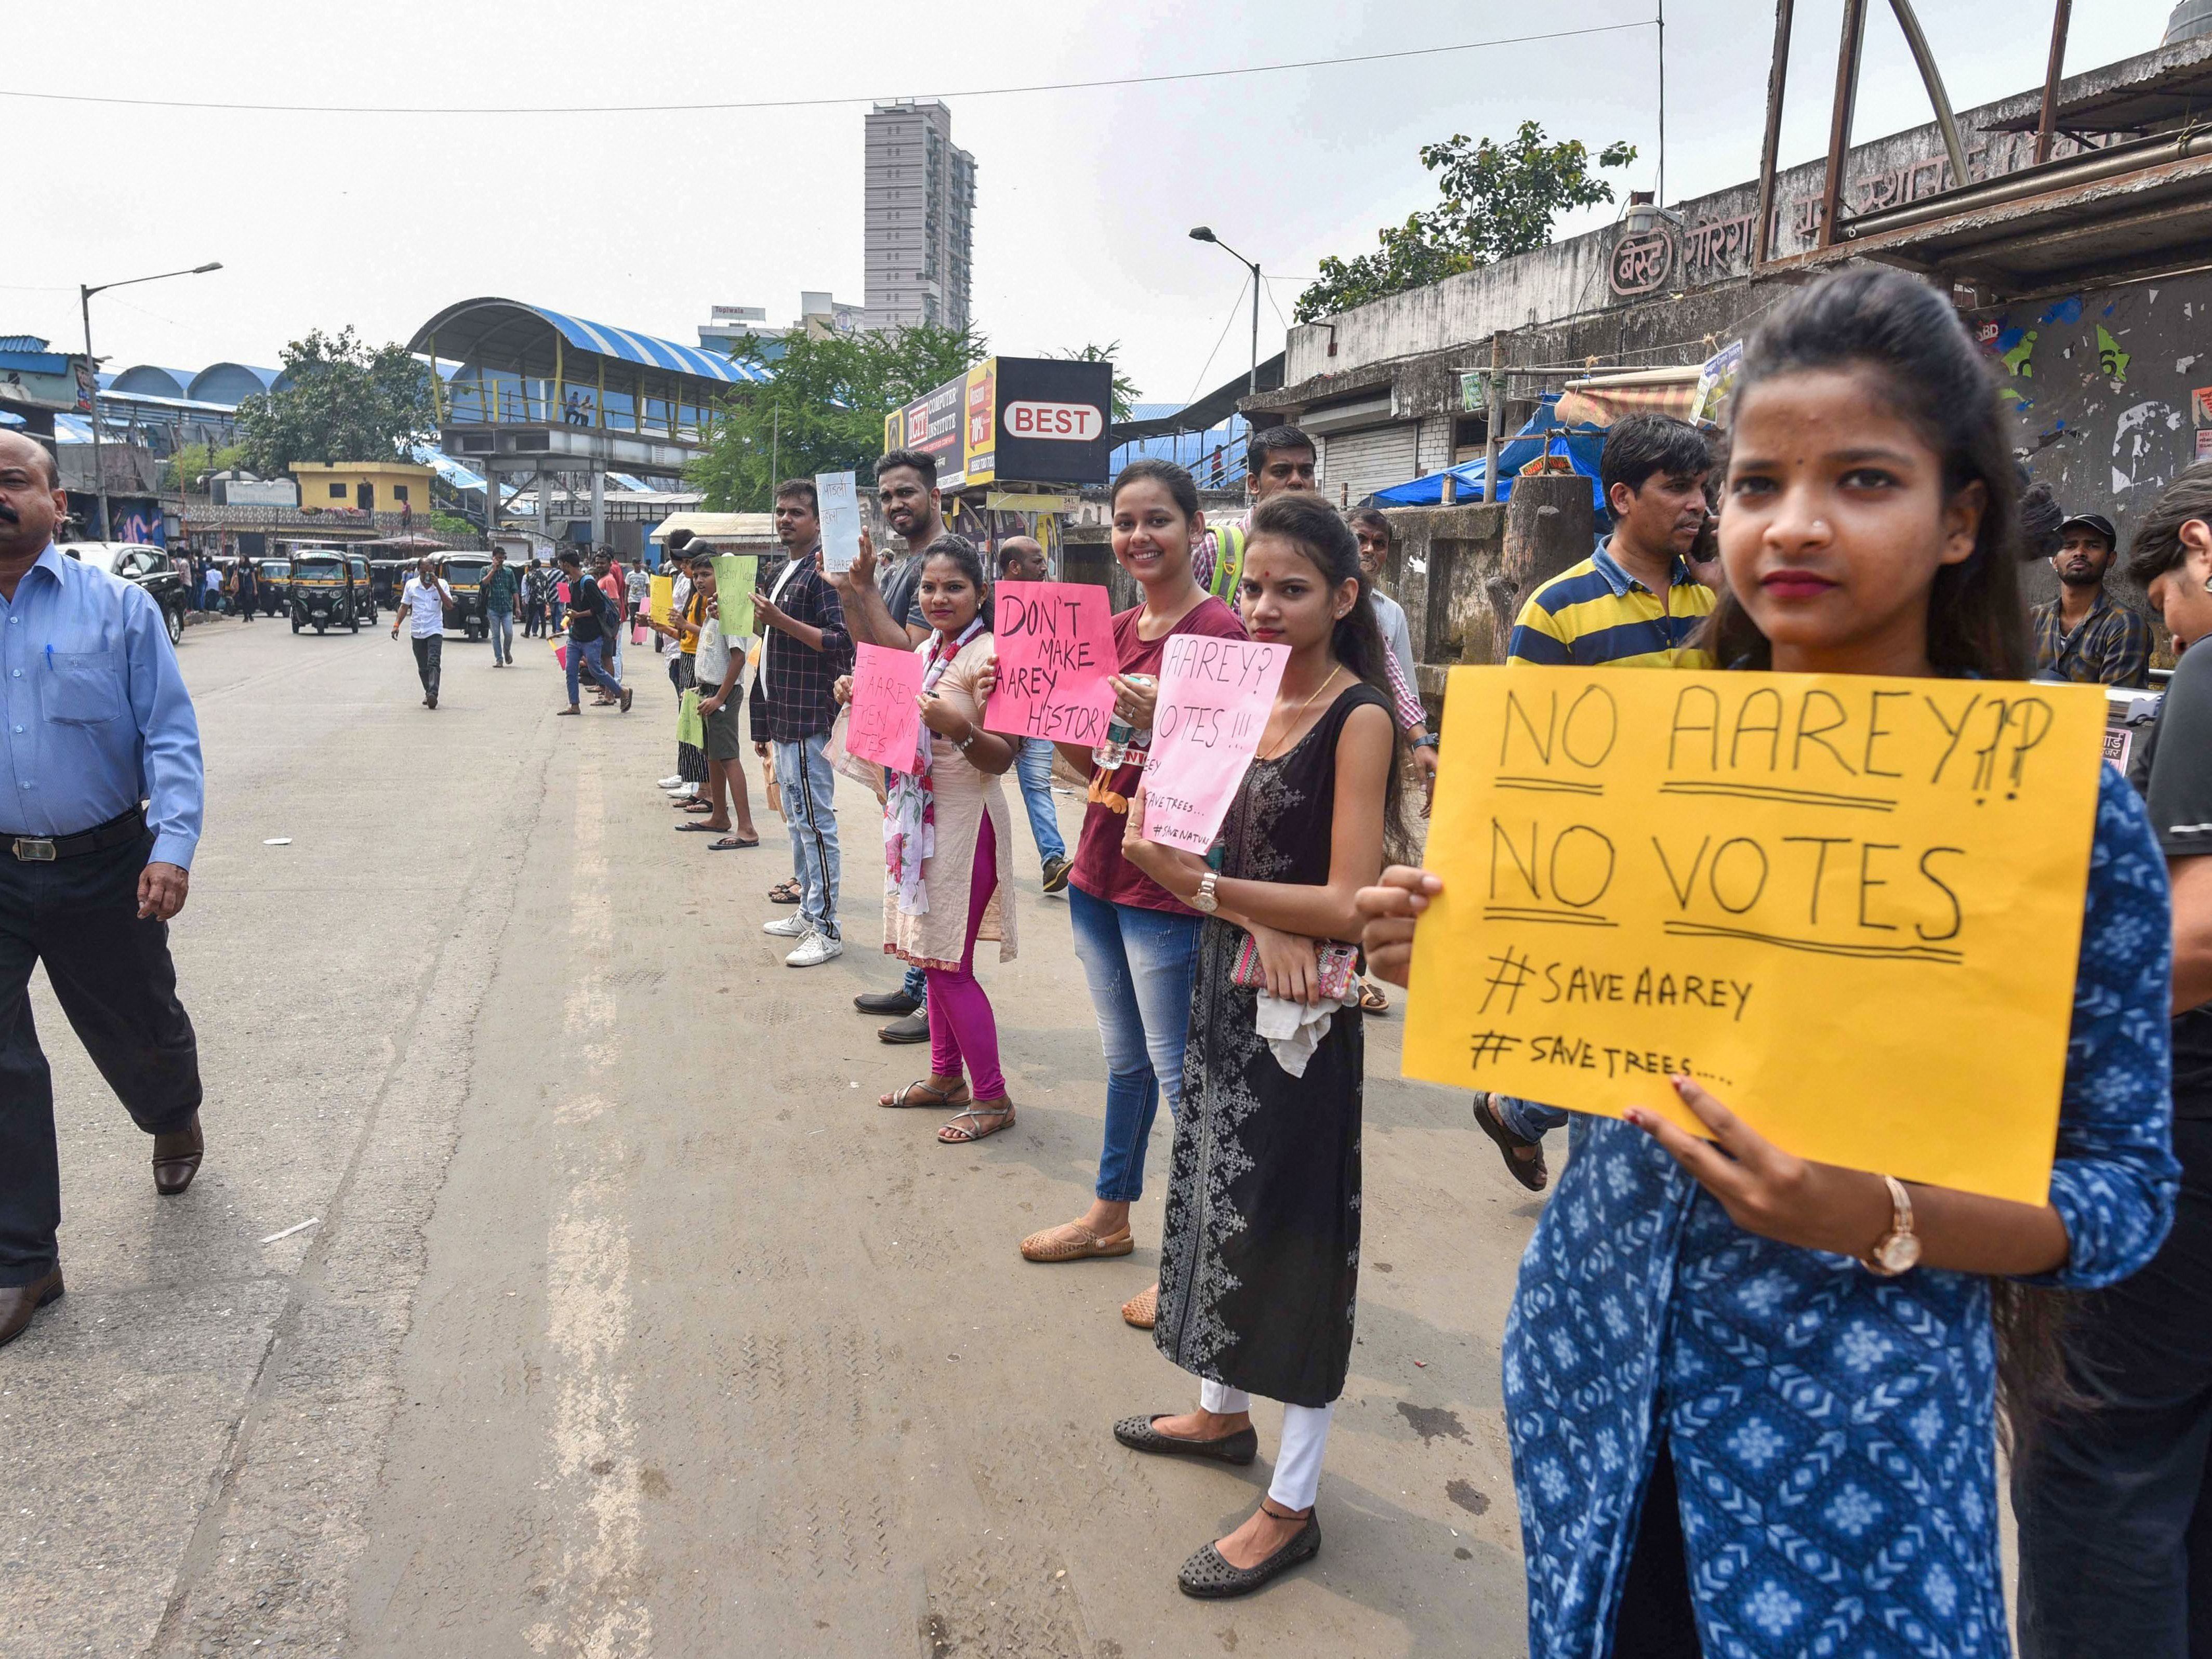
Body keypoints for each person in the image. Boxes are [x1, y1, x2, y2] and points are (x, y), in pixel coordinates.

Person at [1359, 265, 2179, 1656]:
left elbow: (2122, 1194)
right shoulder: (1633, 742)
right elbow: (1583, 1059)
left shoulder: (2054, 808)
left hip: (1850, 1446)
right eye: (1754, 486)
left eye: (1862, 481)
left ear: (1959, 519)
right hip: (1592, 1371)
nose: (1791, 525)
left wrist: (1875, 1214)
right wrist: (1463, 957)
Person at [1110, 490, 1401, 1598]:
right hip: (1225, 990)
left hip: (1300, 1023)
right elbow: (1150, 838)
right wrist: (1243, 908)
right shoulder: (1218, 693)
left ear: (1343, 597)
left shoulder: (1355, 715)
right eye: (1255, 589)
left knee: (1292, 1236)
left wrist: (1229, 894)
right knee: (1213, 1196)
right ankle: (1220, 1415)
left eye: (1293, 590)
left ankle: (1292, 1500)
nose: (1267, 610)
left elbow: (1354, 898)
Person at [2011, 464, 2212, 1655]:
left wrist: (2047, 1021)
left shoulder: (2206, 672)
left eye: (2171, 598)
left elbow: (2197, 939)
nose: (2174, 622)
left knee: (2100, 1463)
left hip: (2185, 1139)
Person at [1013, 460, 1246, 1335]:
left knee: (1183, 1075)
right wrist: (1054, 717)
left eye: (1157, 520)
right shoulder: (1106, 630)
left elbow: (1230, 771)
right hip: (1097, 868)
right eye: (1124, 523)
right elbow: (1084, 767)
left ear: (1194, 529)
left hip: (1167, 883)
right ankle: (1110, 1216)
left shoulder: (1219, 631)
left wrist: (1166, 722)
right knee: (1125, 1062)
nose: (1138, 537)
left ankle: (1198, 1262)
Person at [0, 431, 206, 1347]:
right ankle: (24, 1258)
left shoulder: (118, 607)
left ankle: (171, 1112)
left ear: (56, 502)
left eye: (10, 480)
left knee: (138, 1022)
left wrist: (172, 844)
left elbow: (169, 734)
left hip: (104, 861)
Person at [1476, 410, 1717, 1191]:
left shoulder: (1717, 607)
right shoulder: (1556, 608)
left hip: (1696, 869)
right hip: (1599, 870)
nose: (1699, 506)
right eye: (1677, 488)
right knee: (1614, 1034)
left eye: (1704, 489)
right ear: (1621, 496)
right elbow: (1524, 755)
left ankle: (1520, 1109)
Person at [842, 536, 1022, 1142]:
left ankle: (993, 1098)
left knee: (949, 966)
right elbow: (895, 691)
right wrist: (859, 694)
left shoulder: (991, 657)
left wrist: (961, 729)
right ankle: (946, 1077)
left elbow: (1002, 759)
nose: (940, 598)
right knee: (933, 957)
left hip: (968, 827)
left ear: (982, 594)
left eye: (954, 587)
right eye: (929, 588)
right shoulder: (931, 651)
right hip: (924, 825)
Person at [1196, 429, 1438, 808]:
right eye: (1282, 471)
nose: (1296, 480)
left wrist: (1418, 736)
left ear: (1342, 598)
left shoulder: (1333, 548)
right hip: (1221, 737)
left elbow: (1374, 649)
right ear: (1253, 483)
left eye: (1305, 471)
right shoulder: (1217, 550)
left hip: (1309, 734)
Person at [847, 450, 949, 1042]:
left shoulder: (941, 562)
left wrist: (863, 588)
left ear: (934, 496)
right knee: (908, 866)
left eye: (906, 492)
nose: (895, 505)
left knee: (930, 874)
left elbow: (908, 656)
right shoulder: (902, 564)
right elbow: (875, 648)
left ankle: (936, 1002)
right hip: (902, 745)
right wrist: (849, 590)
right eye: (886, 496)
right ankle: (917, 984)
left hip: (935, 752)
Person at [748, 481, 852, 968]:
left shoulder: (822, 574)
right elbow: (769, 639)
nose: (785, 519)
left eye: (796, 512)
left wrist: (781, 621)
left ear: (817, 521)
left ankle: (827, 928)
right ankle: (808, 911)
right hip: (783, 713)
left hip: (810, 715)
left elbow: (839, 642)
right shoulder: (781, 570)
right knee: (797, 822)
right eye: (780, 511)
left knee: (816, 822)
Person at [994, 537, 1072, 896]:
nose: (1045, 567)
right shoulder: (985, 605)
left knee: (1037, 786)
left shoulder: (1054, 605)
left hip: (1037, 715)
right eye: (1038, 561)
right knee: (976, 790)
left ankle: (1053, 860)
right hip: (991, 717)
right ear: (1014, 567)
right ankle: (977, 861)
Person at [671, 549, 759, 851]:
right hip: (708, 691)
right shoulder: (713, 609)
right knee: (713, 756)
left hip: (723, 694)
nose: (699, 580)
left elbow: (738, 659)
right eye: (696, 575)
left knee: (729, 757)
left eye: (706, 574)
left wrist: (719, 697)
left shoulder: (731, 610)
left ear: (722, 577)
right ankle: (719, 816)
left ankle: (746, 828)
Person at [2030, 510, 2152, 686]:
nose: (2079, 552)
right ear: (2055, 560)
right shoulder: (2033, 619)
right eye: (2069, 546)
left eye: (2093, 546)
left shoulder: (2124, 625)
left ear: (2111, 559)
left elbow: (2113, 708)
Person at [654, 530, 710, 798]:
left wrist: (683, 626)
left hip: (694, 659)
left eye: (698, 569)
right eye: (689, 567)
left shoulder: (708, 598)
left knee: (695, 724)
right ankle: (689, 775)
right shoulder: (690, 590)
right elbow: (685, 631)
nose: (691, 572)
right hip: (682, 654)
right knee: (686, 720)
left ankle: (698, 783)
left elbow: (710, 634)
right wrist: (661, 626)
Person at [553, 548, 630, 715]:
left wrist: (578, 615)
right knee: (570, 671)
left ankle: (622, 691)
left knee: (596, 670)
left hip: (592, 637)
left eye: (561, 564)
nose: (560, 567)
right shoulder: (571, 583)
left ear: (567, 564)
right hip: (576, 636)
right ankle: (574, 705)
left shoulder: (587, 582)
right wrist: (570, 616)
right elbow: (575, 607)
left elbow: (599, 608)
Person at [392, 555, 453, 709]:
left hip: (434, 630)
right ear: (418, 571)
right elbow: (404, 606)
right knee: (423, 666)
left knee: (434, 662)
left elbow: (449, 605)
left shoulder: (443, 584)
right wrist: (397, 624)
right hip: (417, 630)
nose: (426, 575)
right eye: (423, 571)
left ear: (434, 570)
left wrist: (437, 585)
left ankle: (433, 694)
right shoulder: (411, 586)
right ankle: (428, 691)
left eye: (429, 571)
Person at [481, 546, 520, 667]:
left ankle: (507, 651)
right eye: (498, 558)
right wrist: (493, 570)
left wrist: (518, 607)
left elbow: (514, 590)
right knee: (496, 635)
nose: (501, 561)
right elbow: (483, 584)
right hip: (493, 608)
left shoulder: (509, 572)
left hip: (507, 608)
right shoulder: (486, 570)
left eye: (503, 558)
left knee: (509, 633)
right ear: (494, 558)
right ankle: (499, 659)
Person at [522, 558, 548, 639]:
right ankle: (543, 634)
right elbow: (547, 588)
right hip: (542, 599)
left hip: (533, 599)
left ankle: (527, 633)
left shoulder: (528, 575)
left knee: (530, 616)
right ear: (540, 565)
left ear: (532, 566)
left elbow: (525, 587)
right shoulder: (545, 576)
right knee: (543, 617)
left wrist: (524, 598)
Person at [229, 555, 257, 622]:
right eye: (241, 558)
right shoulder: (238, 567)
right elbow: (234, 575)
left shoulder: (250, 567)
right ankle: (246, 617)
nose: (242, 559)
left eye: (243, 558)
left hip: (248, 586)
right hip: (241, 586)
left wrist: (255, 589)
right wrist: (232, 584)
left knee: (249, 600)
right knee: (243, 601)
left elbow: (253, 578)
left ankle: (250, 614)